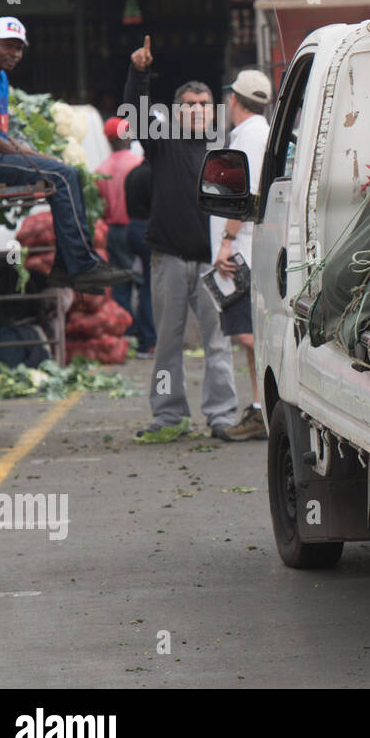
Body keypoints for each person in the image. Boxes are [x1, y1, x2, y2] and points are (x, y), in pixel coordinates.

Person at [123, 35, 240, 442]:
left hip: (213, 261)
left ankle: (223, 416)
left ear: (213, 111)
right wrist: (139, 74)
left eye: (203, 105)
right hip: (169, 257)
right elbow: (135, 120)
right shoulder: (163, 143)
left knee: (219, 342)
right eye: (188, 105)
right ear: (176, 111)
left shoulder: (224, 147)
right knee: (167, 344)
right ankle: (169, 416)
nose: (196, 110)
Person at [0, 17, 131, 292]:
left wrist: (34, 154)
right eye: (8, 46)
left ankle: (67, 265)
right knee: (63, 175)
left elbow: (1, 132)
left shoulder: (0, 77)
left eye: (19, 48)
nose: (15, 54)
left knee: (64, 172)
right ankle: (80, 265)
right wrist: (29, 155)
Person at [209, 69, 273, 441]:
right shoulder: (259, 133)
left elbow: (243, 194)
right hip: (249, 249)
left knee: (250, 334)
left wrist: (226, 243)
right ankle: (258, 406)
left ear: (233, 99)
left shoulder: (249, 138)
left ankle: (261, 407)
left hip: (244, 252)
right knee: (250, 333)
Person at [95, 117, 155, 356]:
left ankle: (123, 339)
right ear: (127, 135)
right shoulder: (138, 163)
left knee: (121, 285)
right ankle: (147, 339)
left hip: (114, 232)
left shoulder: (100, 171)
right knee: (148, 286)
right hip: (140, 227)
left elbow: (100, 209)